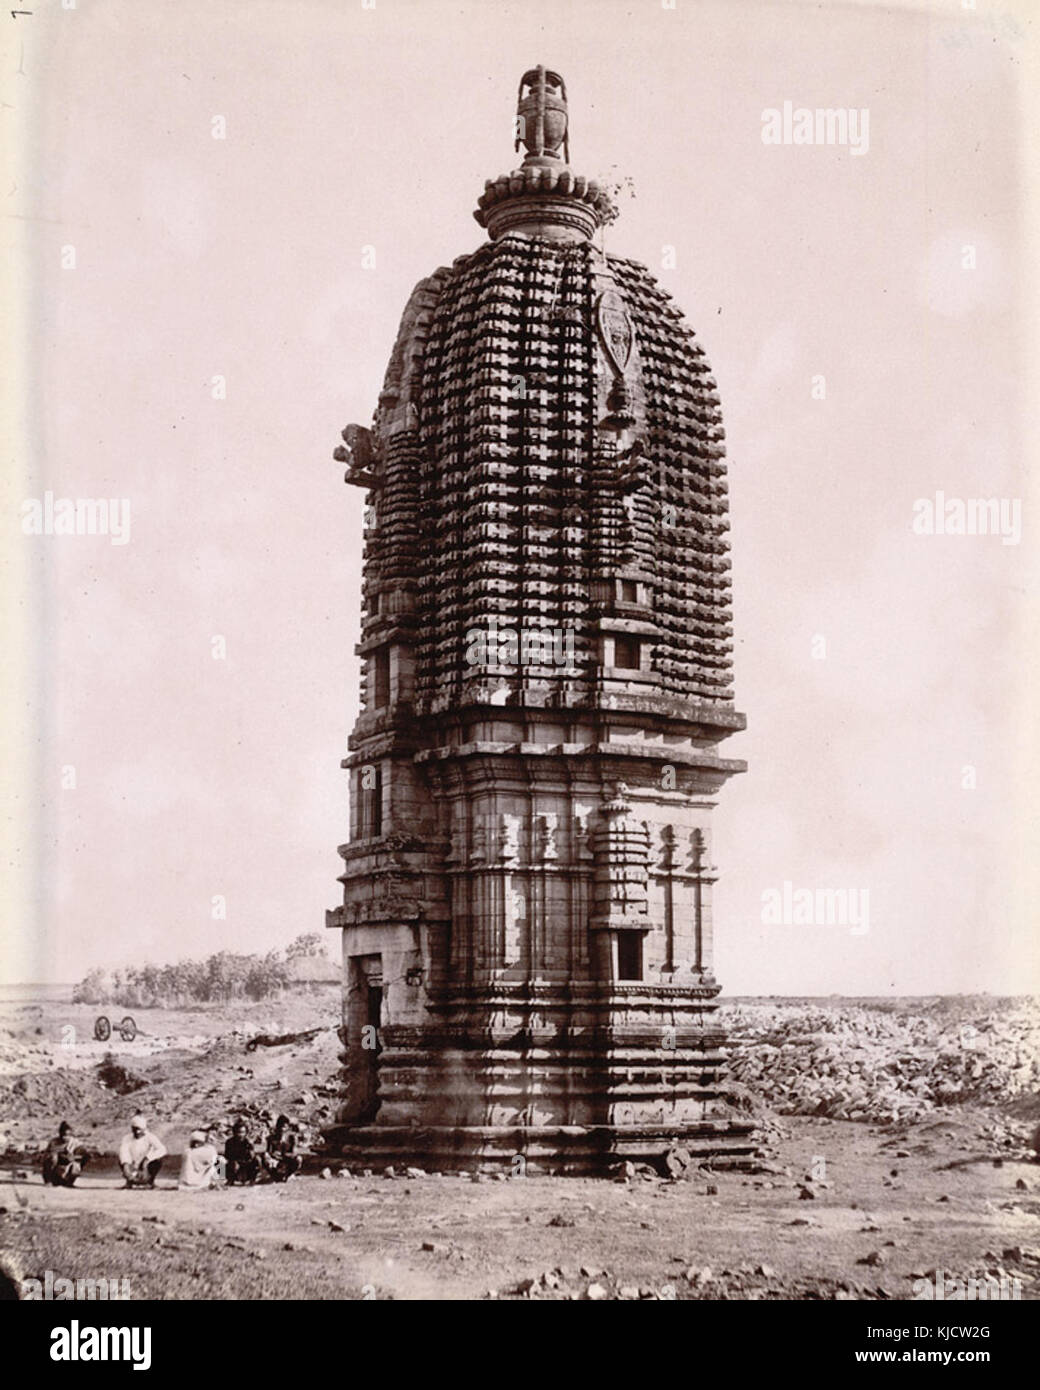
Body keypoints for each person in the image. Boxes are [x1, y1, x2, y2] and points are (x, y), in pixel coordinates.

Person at [118, 1114, 166, 1188]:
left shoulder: (150, 1137)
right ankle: (129, 1182)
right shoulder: (126, 1138)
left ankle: (150, 1182)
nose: (137, 1132)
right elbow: (123, 1152)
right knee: (121, 1160)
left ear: (144, 1129)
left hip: (145, 1167)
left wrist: (146, 1160)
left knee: (158, 1160)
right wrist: (126, 1166)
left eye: (139, 1129)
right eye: (135, 1129)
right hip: (132, 1165)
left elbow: (162, 1149)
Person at [42, 1121, 87, 1188]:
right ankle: (49, 1181)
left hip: (67, 1169)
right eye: (63, 1135)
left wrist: (74, 1158)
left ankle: (69, 1182)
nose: (65, 1137)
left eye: (67, 1135)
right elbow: (46, 1159)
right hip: (55, 1171)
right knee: (52, 1158)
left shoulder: (75, 1143)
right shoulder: (54, 1143)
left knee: (76, 1166)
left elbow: (84, 1155)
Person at [263, 1114, 302, 1183]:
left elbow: (294, 1153)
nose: (282, 1129)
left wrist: (283, 1155)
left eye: (284, 1127)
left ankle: (288, 1175)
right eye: (280, 1126)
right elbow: (268, 1151)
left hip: (287, 1159)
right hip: (275, 1160)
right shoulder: (271, 1138)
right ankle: (274, 1176)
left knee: (298, 1159)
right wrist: (271, 1156)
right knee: (265, 1158)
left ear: (288, 1128)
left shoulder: (292, 1138)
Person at [224, 1118, 260, 1186]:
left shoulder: (247, 1142)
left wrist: (250, 1147)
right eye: (238, 1132)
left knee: (258, 1159)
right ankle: (230, 1180)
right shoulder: (229, 1142)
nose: (240, 1135)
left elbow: (252, 1157)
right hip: (234, 1165)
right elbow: (227, 1156)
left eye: (243, 1132)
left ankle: (252, 1180)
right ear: (234, 1132)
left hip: (246, 1166)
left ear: (246, 1133)